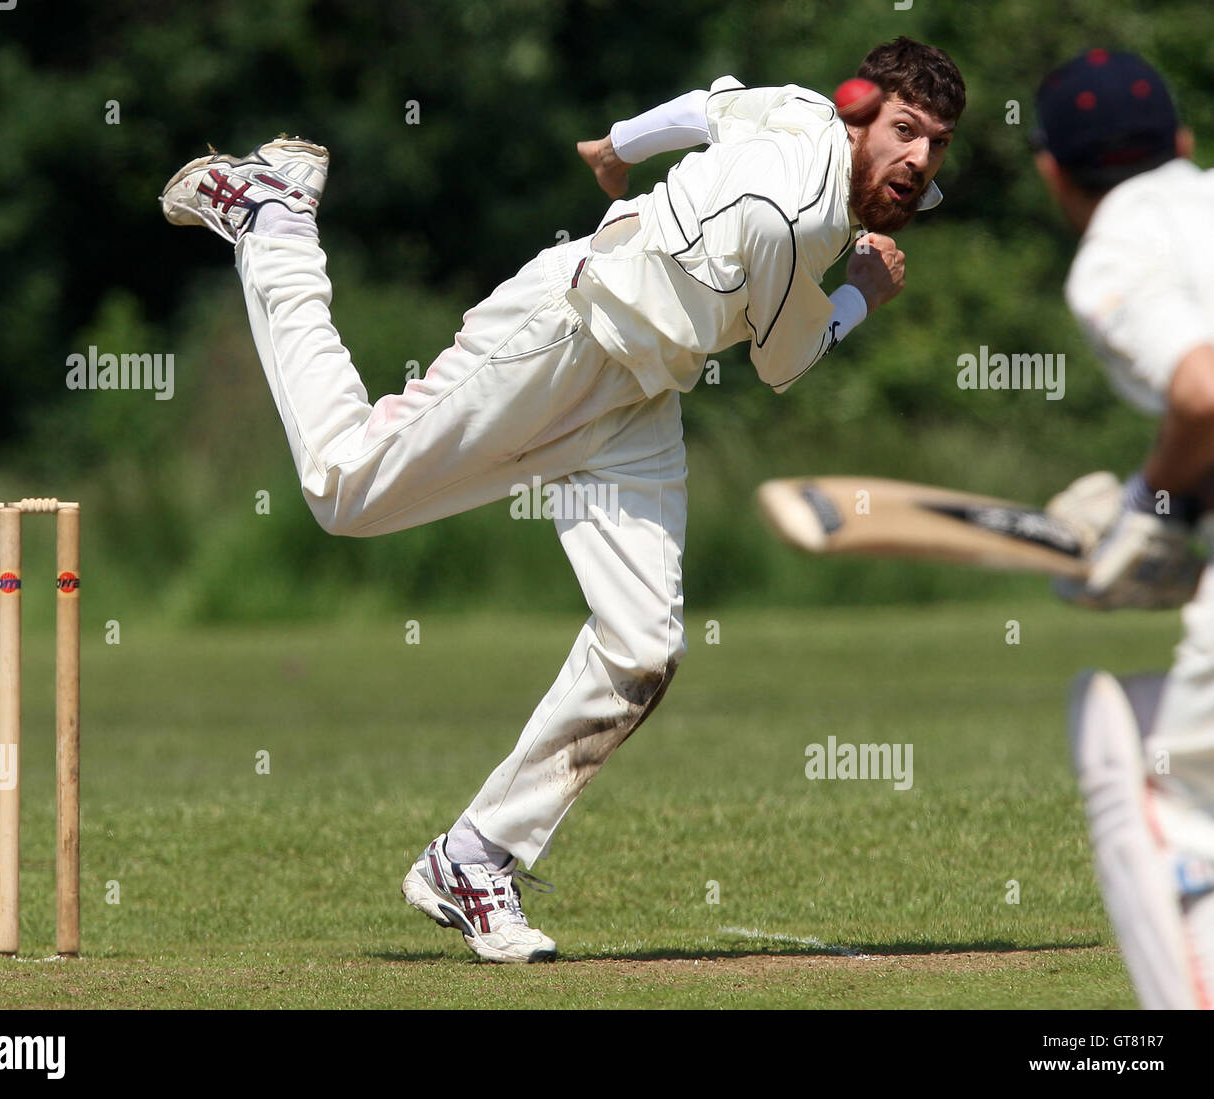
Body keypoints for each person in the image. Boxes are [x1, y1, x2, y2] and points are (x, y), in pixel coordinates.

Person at [158, 36, 965, 963]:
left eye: (937, 145)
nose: (919, 161)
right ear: (859, 110)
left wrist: (618, 145)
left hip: (639, 393)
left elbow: (708, 104)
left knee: (643, 646)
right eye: (905, 132)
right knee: (343, 490)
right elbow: (783, 363)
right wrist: (862, 292)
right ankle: (275, 221)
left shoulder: (796, 107)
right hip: (566, 337)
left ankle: (474, 857)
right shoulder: (799, 217)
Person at [1033, 48, 1214, 1007]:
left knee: (1126, 743)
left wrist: (1153, 504)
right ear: (1183, 143)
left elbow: (1205, 386)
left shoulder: (1118, 246)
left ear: (1052, 173)